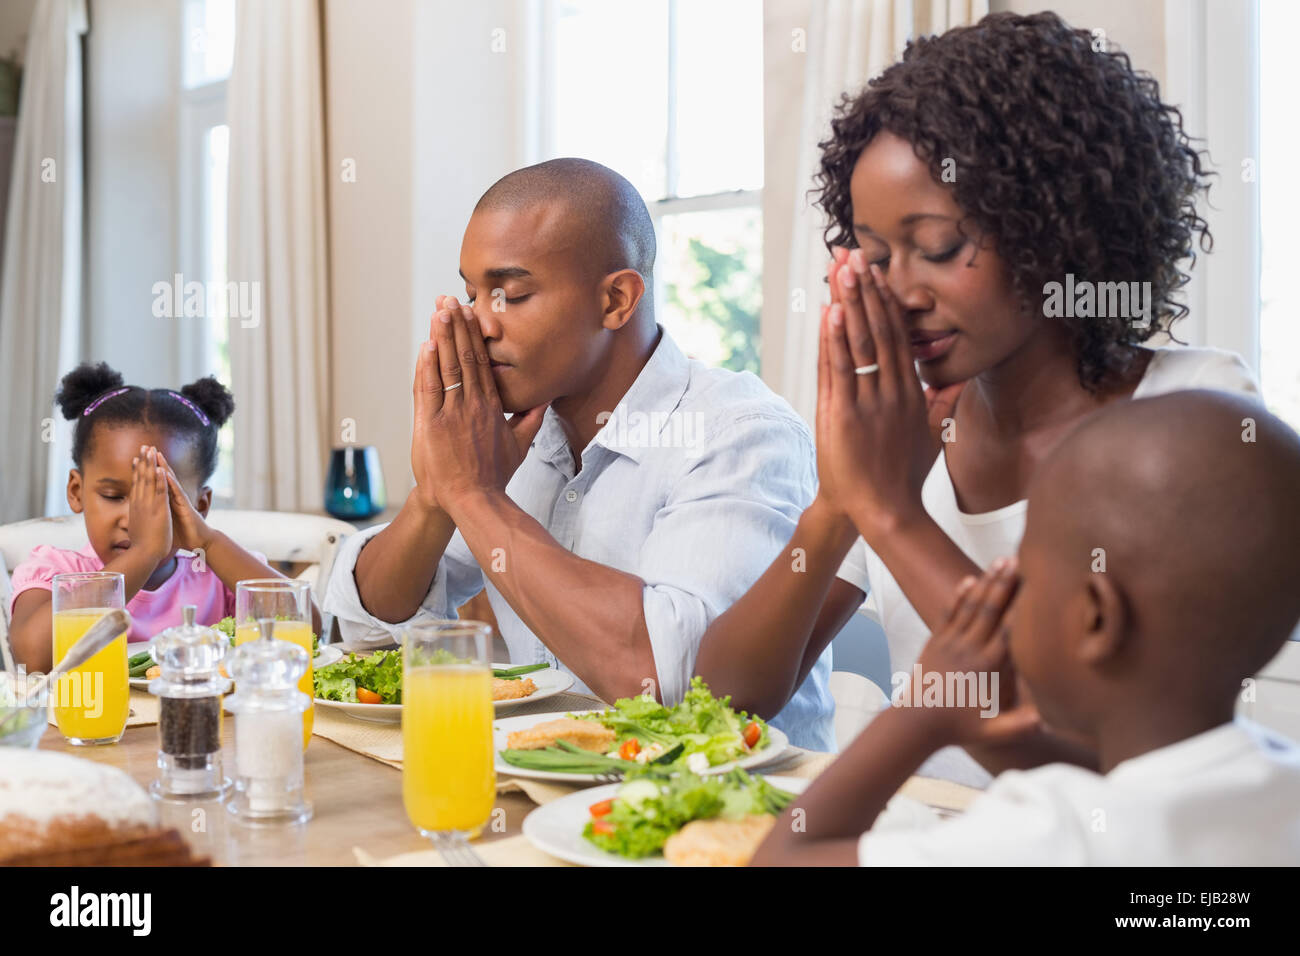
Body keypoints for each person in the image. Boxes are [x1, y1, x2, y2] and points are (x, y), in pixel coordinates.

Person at [694, 11, 1256, 783]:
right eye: (876, 256)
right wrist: (837, 508)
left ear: (1056, 228)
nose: (901, 292)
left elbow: (1100, 739)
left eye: (938, 249)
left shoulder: (1197, 413)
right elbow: (726, 698)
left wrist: (892, 513)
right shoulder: (906, 432)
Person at [323, 158, 834, 750]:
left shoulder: (741, 433)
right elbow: (369, 625)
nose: (480, 323)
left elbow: (668, 682)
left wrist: (473, 496)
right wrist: (436, 498)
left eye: (510, 294)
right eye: (471, 293)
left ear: (616, 299)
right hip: (547, 799)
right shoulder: (515, 439)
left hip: (726, 819)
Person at [752, 391, 1300, 865]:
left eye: (1023, 575)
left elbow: (781, 859)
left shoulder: (1055, 832)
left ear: (1096, 618)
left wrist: (919, 716)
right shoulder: (1282, 783)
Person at [8, 362, 308, 673]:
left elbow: (308, 634)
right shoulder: (58, 573)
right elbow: (31, 657)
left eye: (160, 496)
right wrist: (144, 553)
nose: (134, 519)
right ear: (76, 491)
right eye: (113, 496)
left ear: (200, 505)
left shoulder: (218, 575)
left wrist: (208, 541)